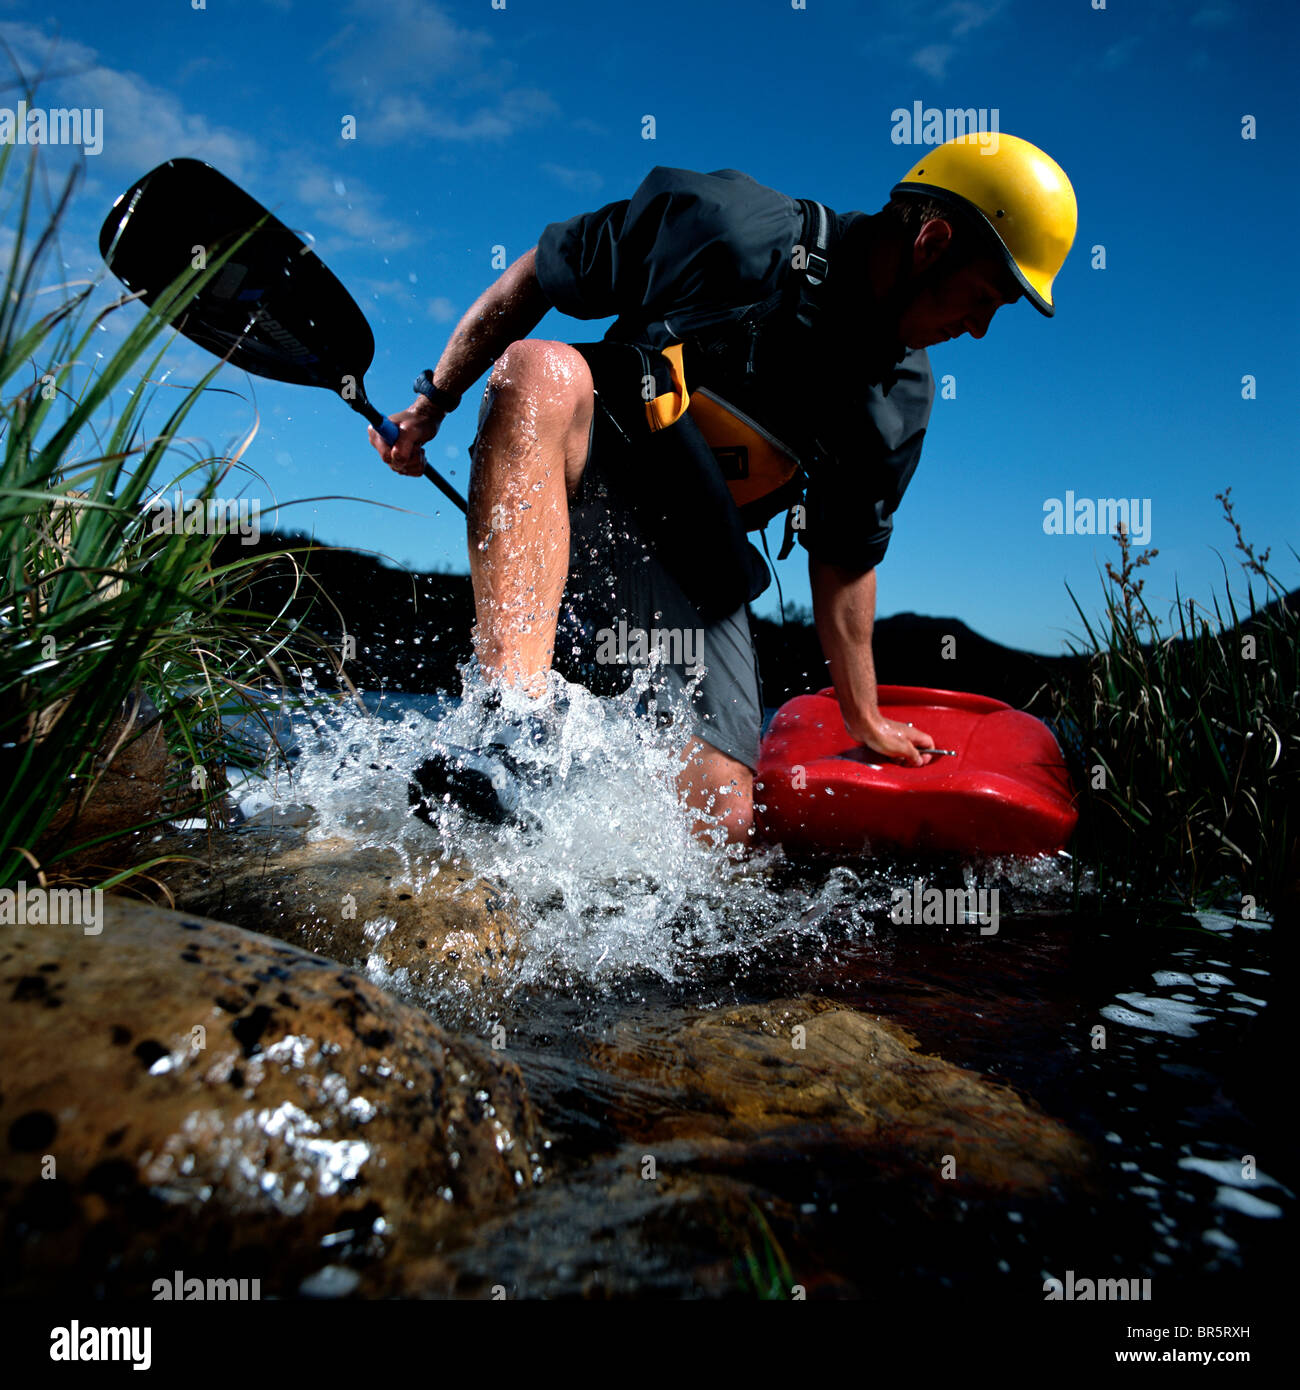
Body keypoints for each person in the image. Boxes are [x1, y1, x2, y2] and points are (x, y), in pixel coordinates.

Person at [370, 133, 1077, 845]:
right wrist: (433, 401)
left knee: (721, 824)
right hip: (582, 464)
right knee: (539, 369)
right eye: (984, 296)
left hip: (693, 557)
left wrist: (864, 716)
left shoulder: (902, 396)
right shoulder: (724, 226)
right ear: (933, 240)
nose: (981, 330)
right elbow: (535, 276)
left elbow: (844, 558)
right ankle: (510, 730)